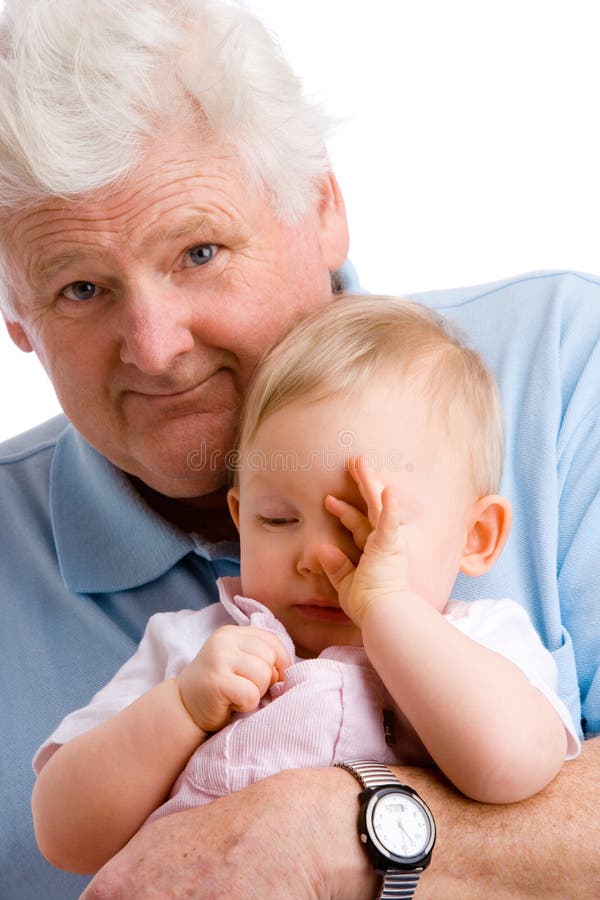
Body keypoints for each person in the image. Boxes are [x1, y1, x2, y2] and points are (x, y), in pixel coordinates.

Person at [0, 1, 598, 898]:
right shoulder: (200, 646)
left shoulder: (559, 366)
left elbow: (514, 761)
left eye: (199, 250)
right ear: (17, 319)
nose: (157, 347)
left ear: (322, 205)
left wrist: (340, 833)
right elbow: (65, 823)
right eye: (80, 288)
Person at [31, 295, 581, 875]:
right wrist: (182, 708)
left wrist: (390, 611)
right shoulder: (197, 648)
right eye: (278, 520)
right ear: (240, 517)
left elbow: (513, 769)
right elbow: (65, 836)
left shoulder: (484, 643)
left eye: (362, 525)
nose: (317, 558)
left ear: (477, 536)